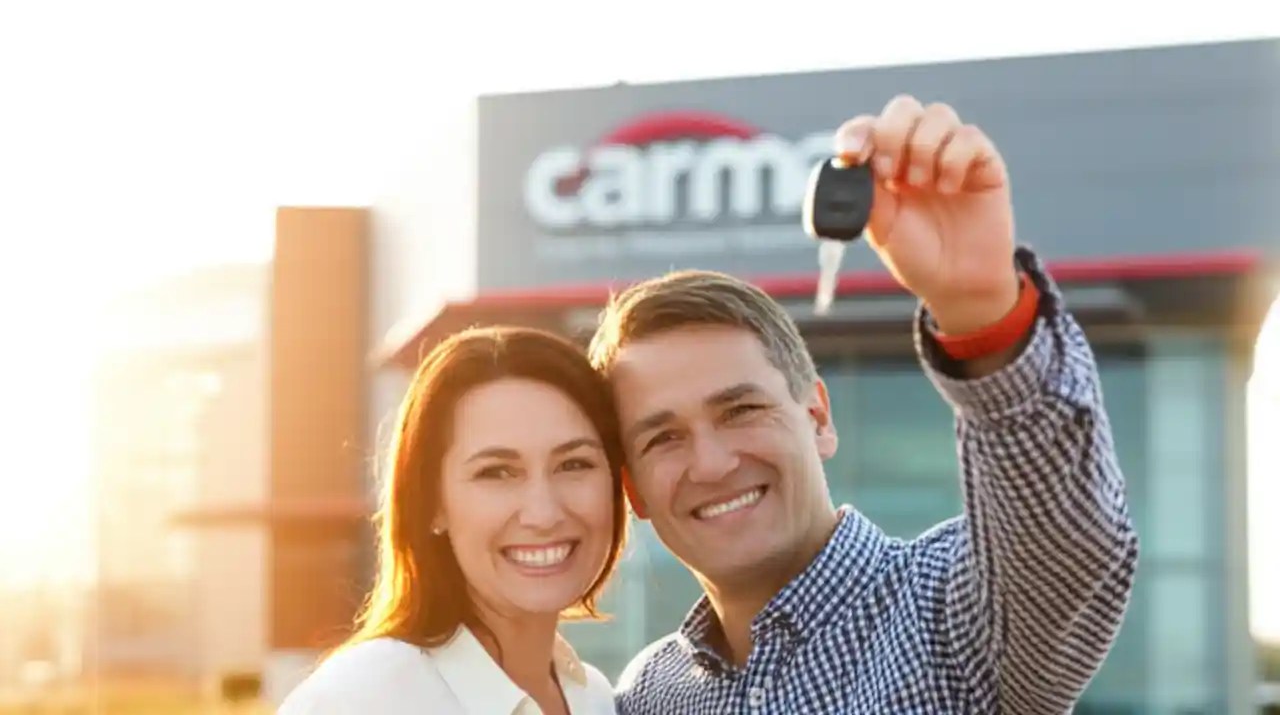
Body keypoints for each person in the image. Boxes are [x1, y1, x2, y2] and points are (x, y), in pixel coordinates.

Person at [588, 95, 1140, 713]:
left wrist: (982, 310)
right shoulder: (644, 696)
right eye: (662, 437)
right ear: (632, 489)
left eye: (741, 411)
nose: (712, 463)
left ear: (817, 418)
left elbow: (1066, 544)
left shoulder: (954, 612)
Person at [278, 326, 626, 715]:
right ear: (432, 503)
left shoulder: (594, 697)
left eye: (573, 464)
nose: (543, 513)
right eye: (497, 472)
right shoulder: (359, 700)